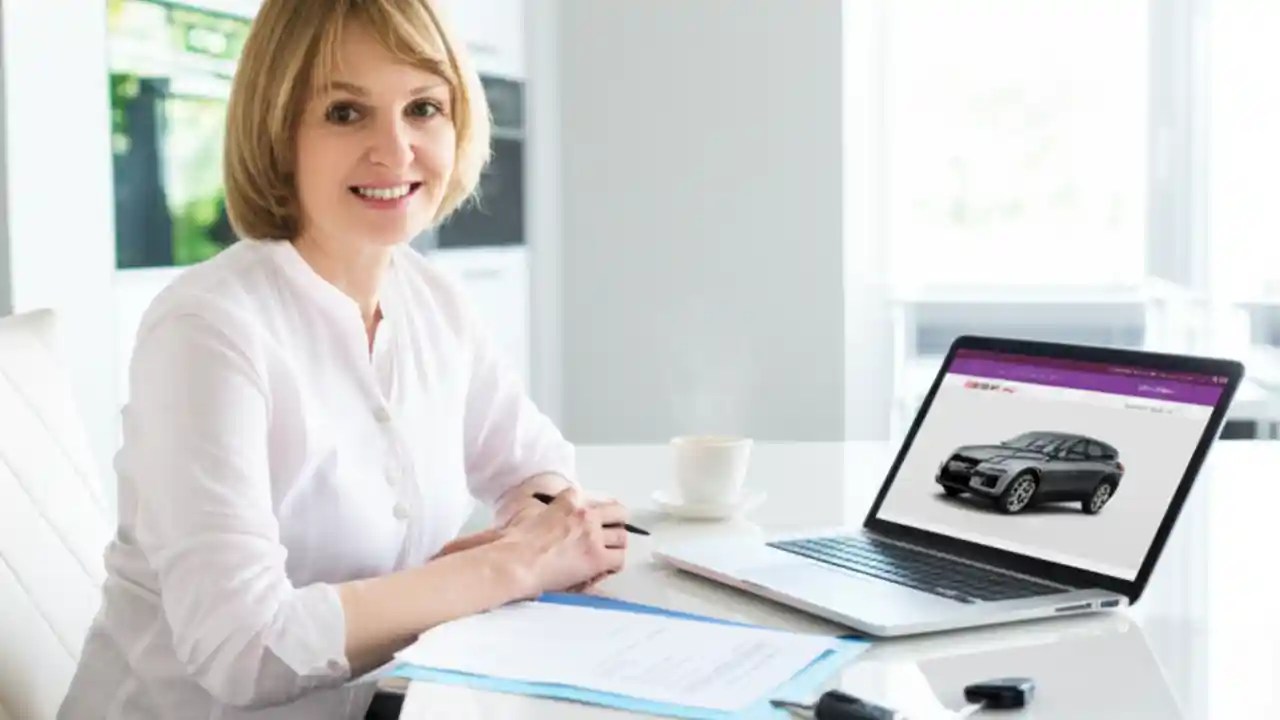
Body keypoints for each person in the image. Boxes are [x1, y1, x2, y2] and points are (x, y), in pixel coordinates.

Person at [60, 1, 630, 717]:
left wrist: (545, 524)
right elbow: (245, 650)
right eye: (344, 113)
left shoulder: (433, 301)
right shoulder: (207, 330)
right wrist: (506, 567)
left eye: (423, 107)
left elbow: (529, 466)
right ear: (278, 131)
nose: (395, 151)